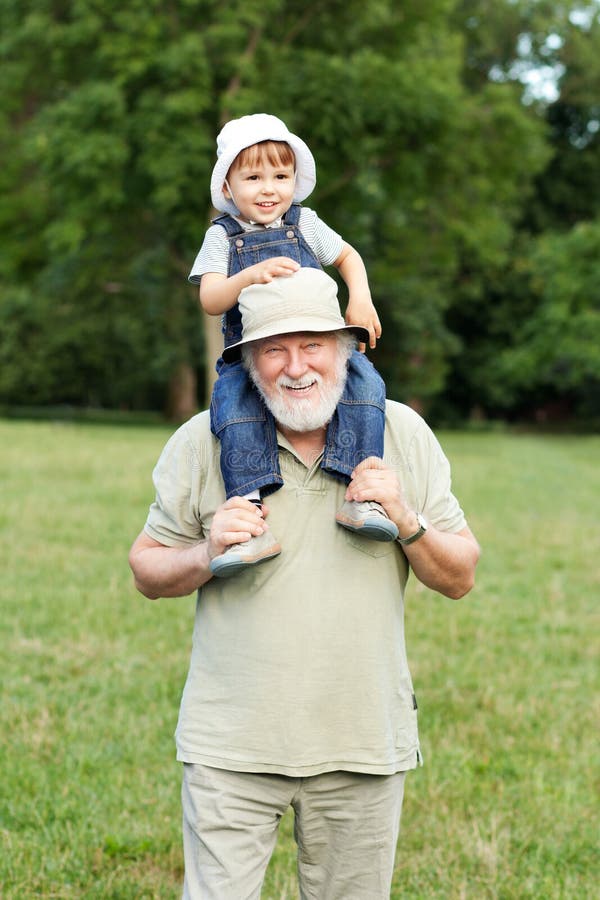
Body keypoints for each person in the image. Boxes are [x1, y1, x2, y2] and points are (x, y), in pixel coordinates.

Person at [129, 267, 480, 900]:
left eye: (313, 344)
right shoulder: (203, 442)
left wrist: (408, 522)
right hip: (231, 747)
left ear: (344, 348)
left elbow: (460, 576)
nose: (297, 367)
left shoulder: (400, 433)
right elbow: (146, 569)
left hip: (362, 746)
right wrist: (208, 551)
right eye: (274, 349)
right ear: (248, 362)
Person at [189, 113, 394, 577]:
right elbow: (210, 297)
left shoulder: (305, 223)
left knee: (364, 384)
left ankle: (364, 493)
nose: (269, 189)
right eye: (253, 176)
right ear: (227, 185)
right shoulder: (223, 236)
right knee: (234, 405)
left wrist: (359, 297)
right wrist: (248, 276)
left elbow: (348, 256)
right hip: (253, 353)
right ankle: (249, 514)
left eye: (280, 176)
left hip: (314, 337)